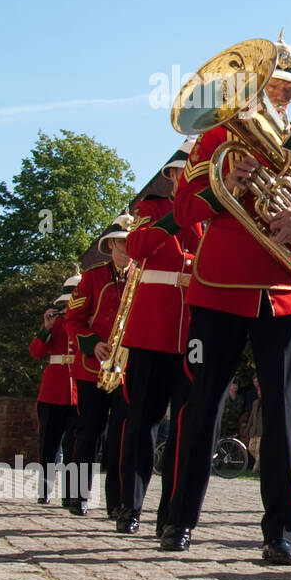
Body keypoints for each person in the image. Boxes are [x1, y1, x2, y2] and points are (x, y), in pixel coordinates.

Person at [165, 34, 291, 564]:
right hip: (218, 287)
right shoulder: (212, 140)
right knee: (203, 404)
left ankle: (281, 530)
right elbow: (184, 212)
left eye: (285, 89)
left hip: (282, 290)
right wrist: (223, 182)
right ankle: (179, 519)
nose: (276, 96)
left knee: (282, 413)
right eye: (269, 85)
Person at [115, 142, 202, 535]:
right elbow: (137, 247)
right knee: (142, 421)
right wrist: (176, 218)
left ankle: (171, 514)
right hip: (152, 327)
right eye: (178, 171)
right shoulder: (150, 210)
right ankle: (129, 505)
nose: (184, 176)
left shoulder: (213, 211)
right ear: (168, 177)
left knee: (186, 427)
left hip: (192, 331)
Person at [63, 215, 135, 517]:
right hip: (92, 367)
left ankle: (117, 502)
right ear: (111, 246)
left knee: (121, 436)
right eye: (121, 243)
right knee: (89, 432)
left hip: (126, 368)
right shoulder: (92, 278)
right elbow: (73, 321)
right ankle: (77, 496)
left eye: (130, 243)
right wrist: (93, 344)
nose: (126, 249)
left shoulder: (141, 277)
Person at [29, 275, 80, 504]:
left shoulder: (86, 320)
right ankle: (44, 491)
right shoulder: (54, 321)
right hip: (53, 391)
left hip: (78, 390)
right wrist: (46, 328)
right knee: (48, 444)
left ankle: (71, 495)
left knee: (74, 447)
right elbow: (37, 352)